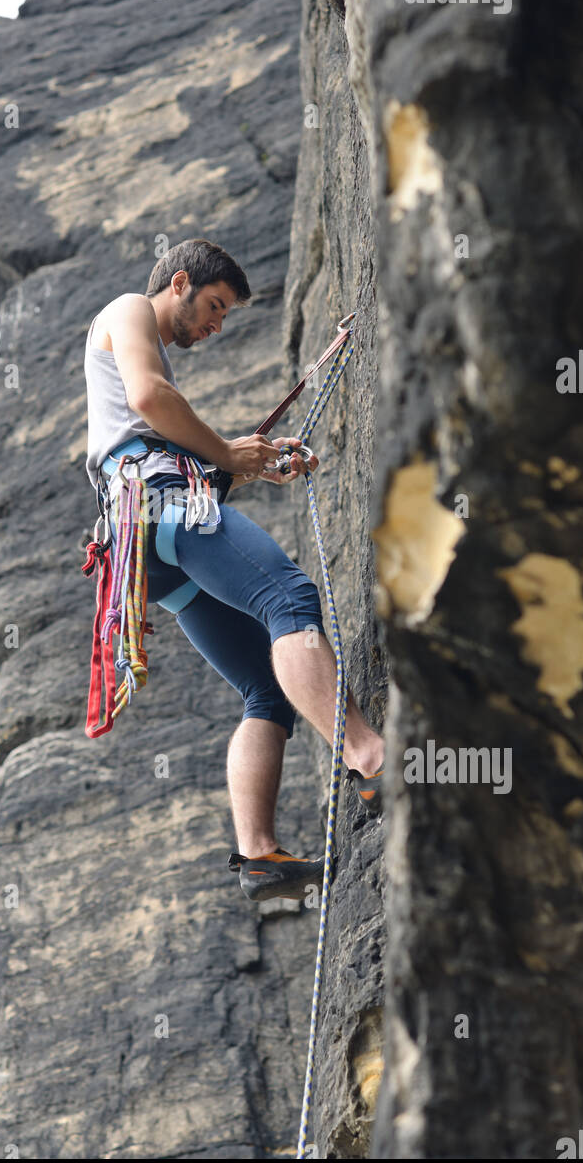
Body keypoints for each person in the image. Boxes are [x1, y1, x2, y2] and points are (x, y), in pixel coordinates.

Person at [84, 239, 384, 901]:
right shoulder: (129, 308)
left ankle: (257, 857)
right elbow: (151, 396)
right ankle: (371, 758)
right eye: (215, 306)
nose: (217, 324)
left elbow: (170, 435)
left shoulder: (140, 360)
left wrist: (248, 460)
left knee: (264, 692)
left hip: (142, 548)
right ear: (179, 281)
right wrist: (224, 452)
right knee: (288, 599)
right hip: (160, 501)